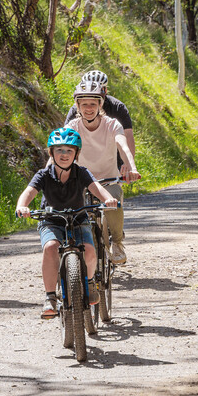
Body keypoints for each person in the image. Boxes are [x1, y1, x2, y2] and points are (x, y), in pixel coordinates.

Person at [14, 127, 120, 320]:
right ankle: (50, 297)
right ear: (51, 153)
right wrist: (22, 206)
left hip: (78, 219)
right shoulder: (43, 175)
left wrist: (108, 199)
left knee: (89, 250)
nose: (64, 154)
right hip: (51, 221)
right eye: (59, 150)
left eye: (69, 150)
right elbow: (29, 192)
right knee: (50, 247)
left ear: (76, 154)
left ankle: (89, 283)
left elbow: (96, 188)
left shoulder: (81, 173)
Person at [64, 81, 138, 264]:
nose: (88, 108)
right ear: (78, 106)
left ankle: (117, 243)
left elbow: (123, 146)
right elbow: (60, 152)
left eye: (93, 103)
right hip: (82, 181)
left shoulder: (112, 125)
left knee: (113, 200)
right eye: (84, 104)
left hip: (108, 180)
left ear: (100, 105)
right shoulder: (72, 127)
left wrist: (131, 167)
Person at [78, 68, 136, 146]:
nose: (94, 94)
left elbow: (128, 136)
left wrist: (128, 154)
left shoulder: (118, 108)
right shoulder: (77, 108)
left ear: (105, 90)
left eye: (99, 90)